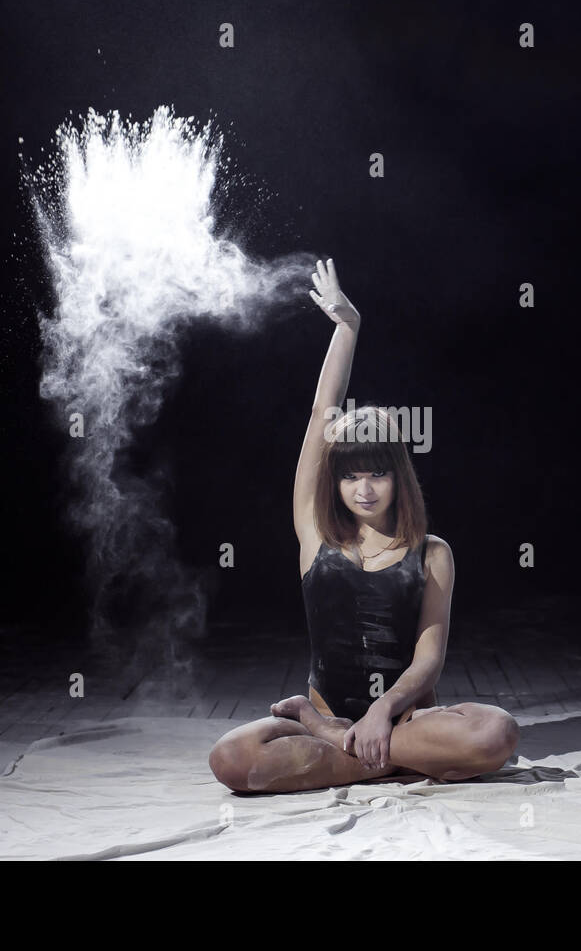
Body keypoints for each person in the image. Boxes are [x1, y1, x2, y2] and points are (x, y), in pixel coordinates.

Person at [207, 258, 520, 793]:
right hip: (352, 715)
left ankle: (333, 738)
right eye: (351, 476)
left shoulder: (432, 552)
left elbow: (429, 659)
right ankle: (370, 748)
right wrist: (347, 327)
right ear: (336, 482)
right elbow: (319, 417)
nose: (365, 489)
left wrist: (382, 711)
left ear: (399, 477)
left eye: (378, 473)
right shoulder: (315, 535)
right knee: (230, 758)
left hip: (404, 720)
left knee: (496, 733)